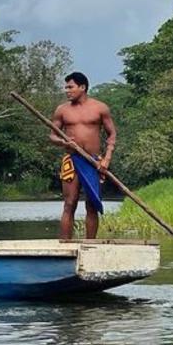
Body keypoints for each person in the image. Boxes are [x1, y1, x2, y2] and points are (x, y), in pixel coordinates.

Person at [49, 71, 116, 240]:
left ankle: (90, 244)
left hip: (94, 162)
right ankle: (65, 244)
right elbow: (52, 135)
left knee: (92, 204)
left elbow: (112, 134)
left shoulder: (100, 108)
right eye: (66, 87)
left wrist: (107, 158)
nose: (67, 91)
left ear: (82, 87)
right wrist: (63, 143)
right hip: (72, 160)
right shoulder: (62, 110)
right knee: (69, 203)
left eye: (70, 87)